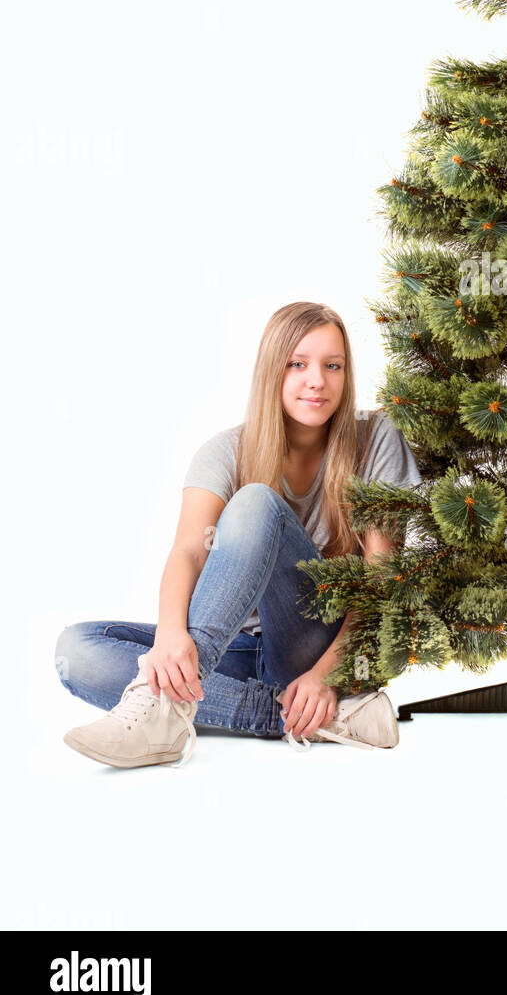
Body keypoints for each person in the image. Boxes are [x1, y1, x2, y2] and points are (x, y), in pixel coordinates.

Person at [56, 301, 422, 768]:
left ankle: (165, 705)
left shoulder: (377, 437)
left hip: (317, 647)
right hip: (238, 649)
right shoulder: (224, 451)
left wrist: (326, 678)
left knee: (255, 503)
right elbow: (188, 553)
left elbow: (381, 583)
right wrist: (171, 638)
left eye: (333, 366)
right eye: (298, 364)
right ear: (272, 371)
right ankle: (287, 716)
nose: (317, 381)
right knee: (76, 651)